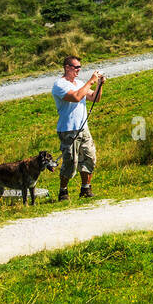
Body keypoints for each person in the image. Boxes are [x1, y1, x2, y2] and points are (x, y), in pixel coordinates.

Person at [52, 56, 103, 200]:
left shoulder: (79, 83)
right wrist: (91, 81)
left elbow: (94, 98)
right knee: (70, 161)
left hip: (83, 128)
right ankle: (63, 191)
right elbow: (75, 97)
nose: (78, 70)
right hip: (68, 129)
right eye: (76, 67)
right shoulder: (60, 85)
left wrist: (99, 84)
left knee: (89, 157)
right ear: (67, 67)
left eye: (80, 67)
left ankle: (85, 189)